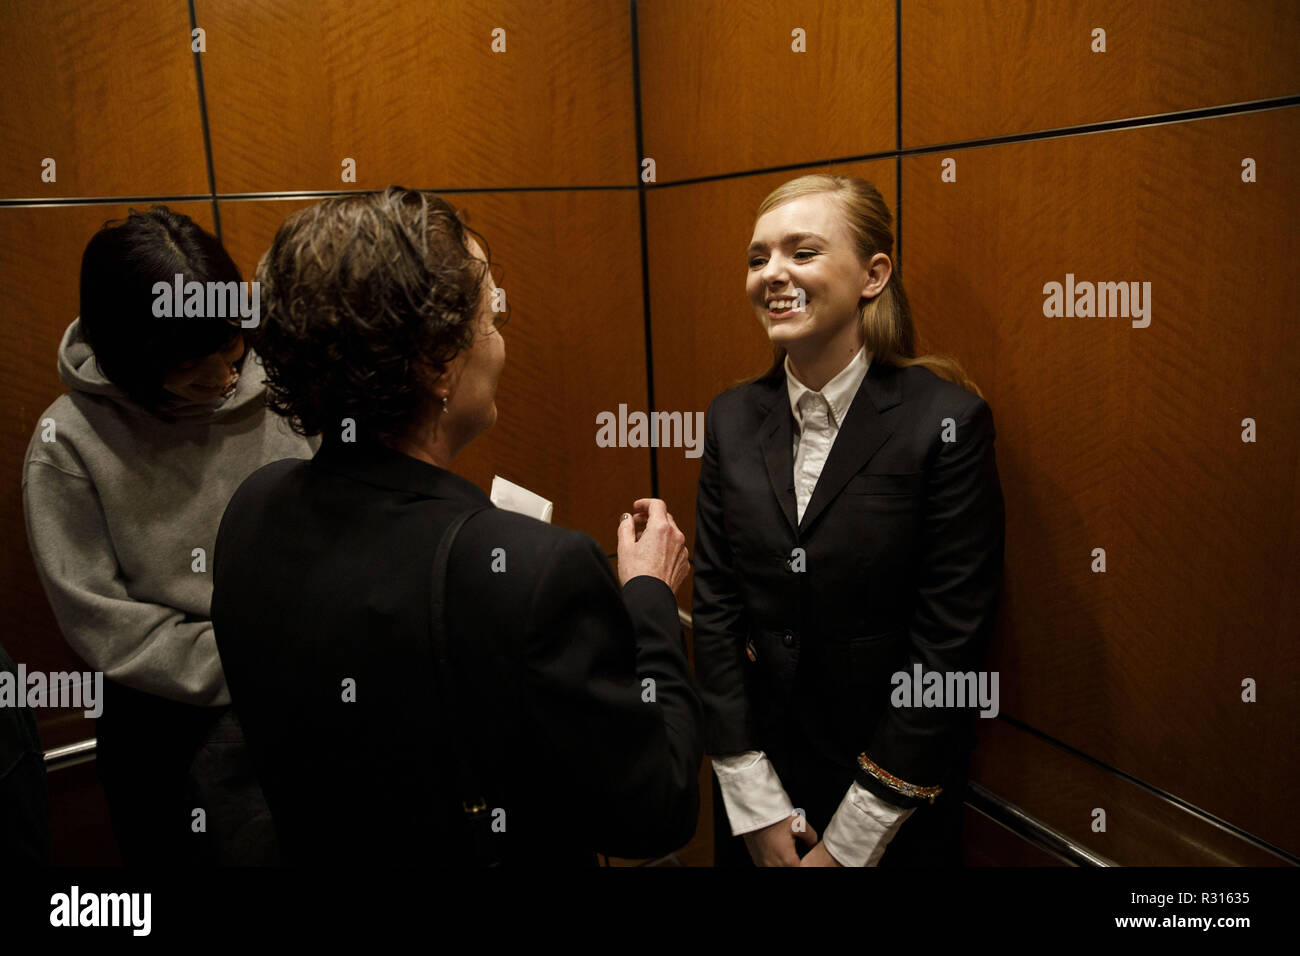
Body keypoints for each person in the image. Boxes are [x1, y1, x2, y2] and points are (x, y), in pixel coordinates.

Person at [211, 186, 703, 866]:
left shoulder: (252, 508)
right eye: (489, 321)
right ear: (438, 363)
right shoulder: (533, 571)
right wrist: (649, 595)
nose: (500, 343)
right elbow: (658, 807)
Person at [693, 174, 1005, 867]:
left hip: (890, 810)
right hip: (758, 804)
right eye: (757, 258)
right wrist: (752, 799)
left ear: (874, 274)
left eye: (801, 253)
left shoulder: (946, 423)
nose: (772, 274)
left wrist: (850, 842)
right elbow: (716, 611)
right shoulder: (731, 419)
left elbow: (948, 646)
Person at [22, 207, 316, 864]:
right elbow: (102, 621)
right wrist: (252, 662)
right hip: (170, 724)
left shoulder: (291, 392)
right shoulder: (69, 440)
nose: (220, 378)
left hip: (307, 691)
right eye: (189, 363)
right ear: (128, 354)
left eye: (230, 346)